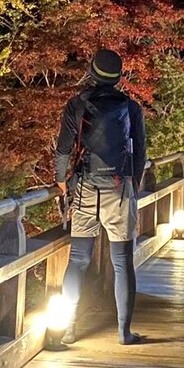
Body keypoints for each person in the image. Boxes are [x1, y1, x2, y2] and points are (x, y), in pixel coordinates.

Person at [53, 48, 148, 345]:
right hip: (119, 190)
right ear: (118, 78)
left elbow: (64, 149)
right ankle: (123, 332)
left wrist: (60, 182)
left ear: (91, 73)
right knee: (122, 262)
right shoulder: (131, 108)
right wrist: (134, 185)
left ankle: (68, 329)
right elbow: (141, 151)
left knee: (78, 260)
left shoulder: (77, 104)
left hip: (85, 189)